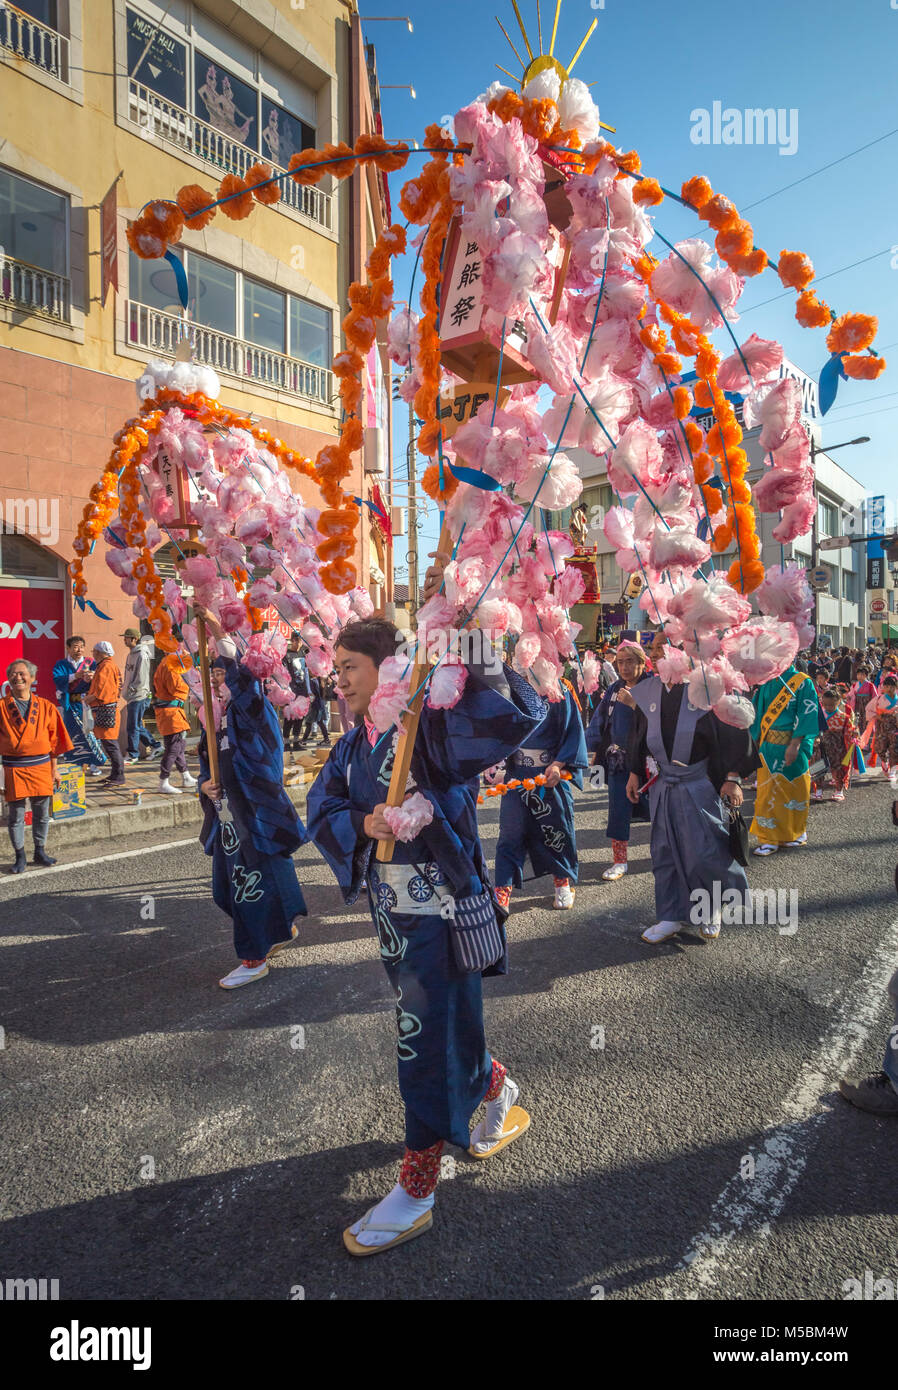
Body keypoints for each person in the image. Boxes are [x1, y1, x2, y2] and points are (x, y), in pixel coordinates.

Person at [306, 551, 543, 1257]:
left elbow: (507, 721)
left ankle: (417, 1187)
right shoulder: (354, 745)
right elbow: (323, 809)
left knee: (422, 1042)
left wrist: (471, 646)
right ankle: (493, 1088)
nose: (338, 679)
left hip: (440, 914)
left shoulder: (425, 725)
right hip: (392, 918)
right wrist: (365, 824)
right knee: (441, 1027)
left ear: (386, 668)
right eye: (337, 668)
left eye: (349, 667)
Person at [193, 606, 308, 990]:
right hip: (230, 819)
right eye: (214, 672)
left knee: (250, 886)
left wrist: (213, 625)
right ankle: (280, 929)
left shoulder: (253, 709)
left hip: (255, 816)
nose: (219, 676)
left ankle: (253, 957)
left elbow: (242, 679)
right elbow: (210, 767)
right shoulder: (219, 716)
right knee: (238, 885)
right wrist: (205, 786)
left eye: (224, 671)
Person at [626, 630, 759, 942]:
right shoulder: (648, 691)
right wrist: (634, 772)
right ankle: (670, 915)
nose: (657, 653)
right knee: (664, 851)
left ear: (681, 651)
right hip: (663, 784)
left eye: (663, 647)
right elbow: (639, 736)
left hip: (697, 783)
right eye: (654, 648)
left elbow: (734, 732)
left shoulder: (705, 686)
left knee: (704, 851)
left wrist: (731, 777)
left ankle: (708, 908)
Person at [493, 675, 588, 911]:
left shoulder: (560, 687)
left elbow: (573, 730)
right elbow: (500, 726)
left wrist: (558, 764)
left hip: (549, 773)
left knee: (558, 829)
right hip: (517, 773)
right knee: (510, 832)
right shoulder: (511, 686)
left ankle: (562, 883)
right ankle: (502, 889)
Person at [585, 640, 650, 881]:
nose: (624, 667)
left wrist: (635, 705)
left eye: (629, 661)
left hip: (650, 761)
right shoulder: (614, 689)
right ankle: (619, 861)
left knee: (661, 811)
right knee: (618, 811)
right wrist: (585, 751)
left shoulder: (653, 687)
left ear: (642, 663)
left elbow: (661, 722)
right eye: (620, 662)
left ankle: (667, 855)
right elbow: (599, 722)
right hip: (619, 760)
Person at [1, 658, 72, 872]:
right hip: (13, 768)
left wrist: (55, 769)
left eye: (22, 673)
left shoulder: (47, 707)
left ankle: (40, 851)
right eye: (13, 674)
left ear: (33, 678)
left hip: (41, 766)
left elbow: (54, 742)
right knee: (16, 815)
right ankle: (20, 855)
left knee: (42, 813)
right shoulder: (2, 707)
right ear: (8, 680)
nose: (18, 677)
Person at [750, 660, 819, 856]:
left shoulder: (803, 682)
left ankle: (795, 833)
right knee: (767, 793)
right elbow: (757, 714)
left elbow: (807, 713)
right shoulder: (766, 681)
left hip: (792, 744)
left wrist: (796, 744)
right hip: (769, 746)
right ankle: (768, 838)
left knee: (794, 790)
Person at [52, 635, 106, 774]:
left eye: (81, 647)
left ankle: (94, 762)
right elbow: (58, 679)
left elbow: (101, 678)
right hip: (71, 705)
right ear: (68, 648)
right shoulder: (61, 664)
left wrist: (93, 676)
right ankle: (75, 763)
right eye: (75, 647)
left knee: (91, 732)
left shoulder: (91, 662)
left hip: (88, 704)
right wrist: (75, 676)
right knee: (73, 733)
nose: (79, 650)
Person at [152, 651, 197, 795]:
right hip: (171, 712)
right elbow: (175, 687)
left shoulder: (166, 662)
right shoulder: (170, 665)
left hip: (171, 710)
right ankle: (163, 781)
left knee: (179, 746)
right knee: (173, 748)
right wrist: (189, 682)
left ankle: (186, 776)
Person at [86, 641, 125, 787]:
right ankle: (115, 774)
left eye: (95, 651)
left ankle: (119, 775)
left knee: (110, 743)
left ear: (102, 653)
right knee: (108, 743)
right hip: (107, 709)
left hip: (106, 709)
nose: (93, 654)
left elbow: (103, 691)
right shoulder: (106, 666)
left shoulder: (106, 667)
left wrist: (88, 698)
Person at [122, 628, 162, 764]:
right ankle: (156, 746)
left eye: (127, 637)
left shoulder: (142, 655)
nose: (124, 640)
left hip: (139, 695)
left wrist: (131, 691)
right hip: (132, 695)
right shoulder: (130, 654)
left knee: (132, 726)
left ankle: (133, 754)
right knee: (136, 725)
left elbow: (142, 677)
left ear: (134, 639)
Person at [817, 687, 859, 802]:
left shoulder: (844, 717)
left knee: (838, 767)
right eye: (825, 704)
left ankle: (839, 790)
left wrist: (854, 733)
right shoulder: (819, 714)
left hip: (838, 745)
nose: (828, 707)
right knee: (818, 766)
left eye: (831, 705)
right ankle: (818, 790)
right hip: (821, 744)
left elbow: (850, 730)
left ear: (838, 702)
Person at [281, 632, 310, 753]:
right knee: (289, 717)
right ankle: (286, 742)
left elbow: (307, 673)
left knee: (300, 716)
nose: (299, 643)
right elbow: (282, 674)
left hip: (302, 690)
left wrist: (309, 691)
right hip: (291, 691)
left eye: (300, 641)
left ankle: (297, 741)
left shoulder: (303, 654)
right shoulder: (286, 655)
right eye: (297, 640)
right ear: (292, 641)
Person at [864, 675, 898, 774]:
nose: (889, 689)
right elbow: (868, 709)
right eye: (887, 686)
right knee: (881, 747)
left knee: (895, 748)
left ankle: (892, 770)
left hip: (894, 726)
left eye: (892, 686)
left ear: (896, 687)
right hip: (882, 725)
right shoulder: (879, 699)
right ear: (883, 687)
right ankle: (884, 761)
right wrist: (878, 716)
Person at [297, 672, 331, 748]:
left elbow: (312, 694)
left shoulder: (313, 681)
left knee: (309, 723)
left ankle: (303, 741)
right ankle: (326, 739)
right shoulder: (321, 680)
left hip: (315, 705)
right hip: (320, 704)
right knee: (320, 722)